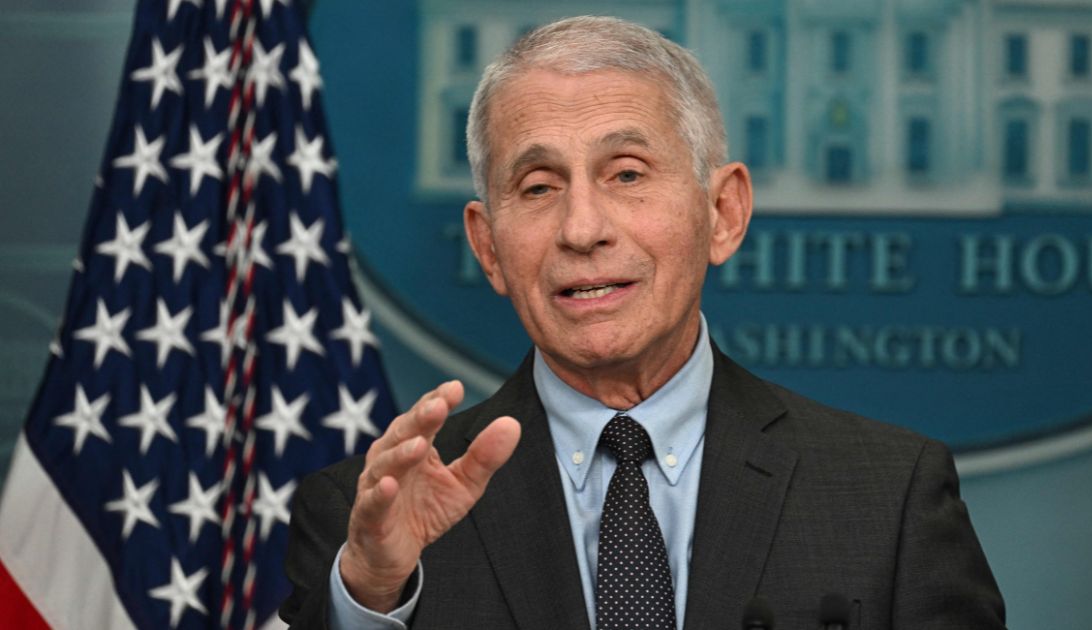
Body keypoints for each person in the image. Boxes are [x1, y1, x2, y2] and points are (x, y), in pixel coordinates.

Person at [280, 15, 1005, 630]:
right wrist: (371, 599)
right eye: (538, 187)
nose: (582, 228)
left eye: (626, 174)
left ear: (724, 213)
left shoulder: (887, 494)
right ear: (488, 247)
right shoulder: (364, 528)